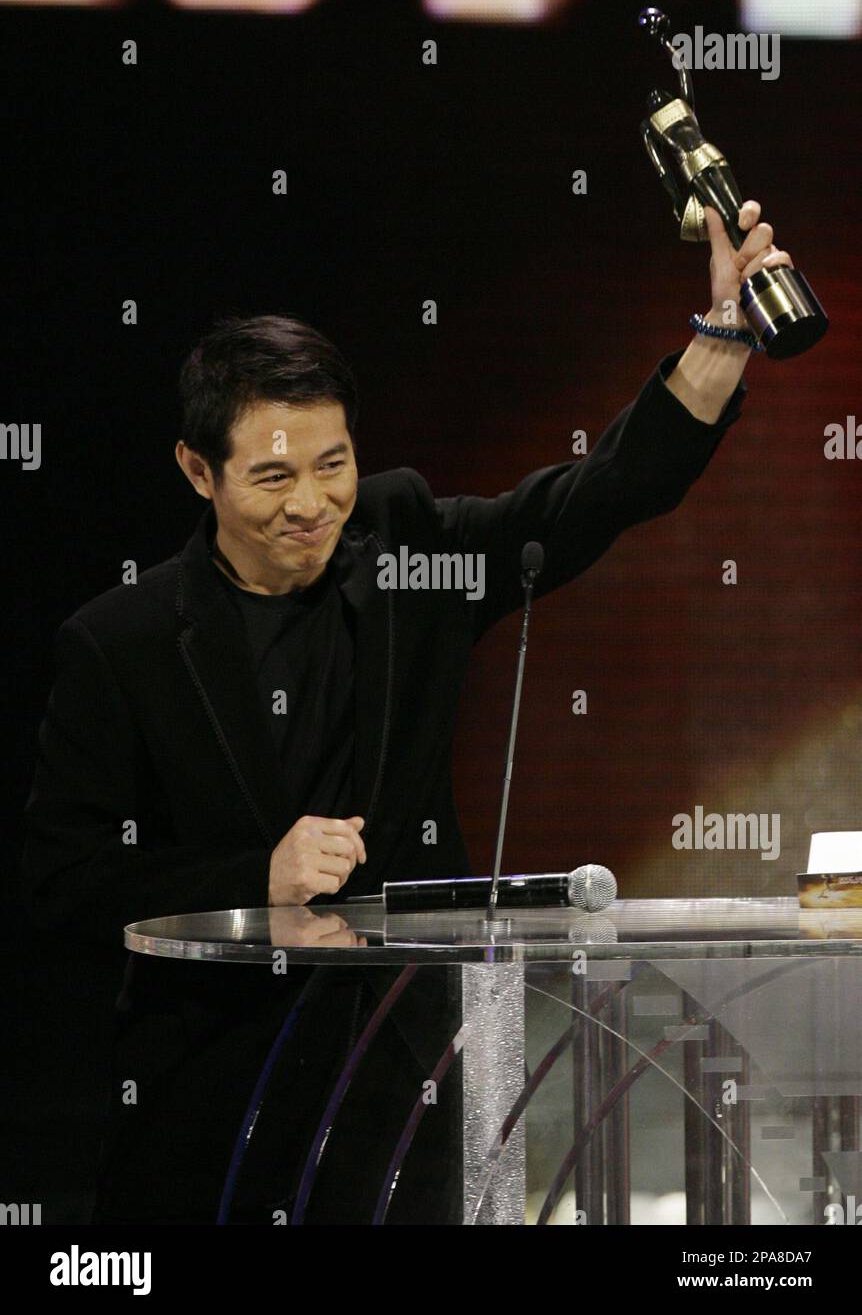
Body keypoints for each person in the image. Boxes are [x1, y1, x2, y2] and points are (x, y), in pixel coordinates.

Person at [23, 201, 793, 1223]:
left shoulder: (404, 555)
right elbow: (64, 887)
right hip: (218, 1104)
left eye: (331, 463)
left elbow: (588, 499)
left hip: (424, 1082)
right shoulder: (117, 644)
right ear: (196, 471)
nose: (310, 502)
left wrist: (718, 341)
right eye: (272, 475)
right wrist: (253, 879)